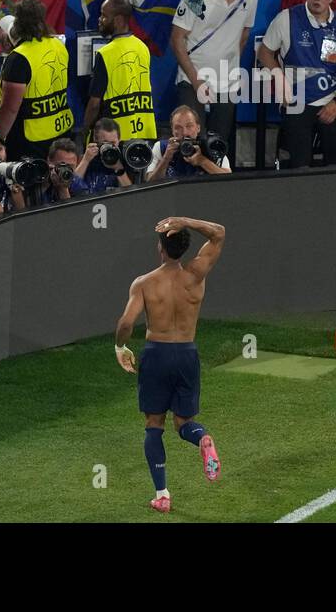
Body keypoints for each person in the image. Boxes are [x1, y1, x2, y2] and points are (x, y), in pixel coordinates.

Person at [114, 215, 226, 514]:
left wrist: (120, 346)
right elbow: (218, 233)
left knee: (154, 426)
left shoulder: (145, 283)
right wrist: (185, 220)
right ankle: (201, 438)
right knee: (184, 424)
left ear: (160, 247)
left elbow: (126, 322)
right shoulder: (197, 274)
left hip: (157, 355)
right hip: (187, 354)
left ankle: (162, 495)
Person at [258, 0, 336, 168]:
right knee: (299, 166)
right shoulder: (286, 18)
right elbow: (264, 53)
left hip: (332, 100)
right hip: (296, 101)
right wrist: (279, 78)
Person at [170, 0, 259, 166]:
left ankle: (217, 187)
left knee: (219, 142)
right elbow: (177, 40)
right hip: (192, 80)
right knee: (190, 139)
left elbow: (243, 37)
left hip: (227, 83)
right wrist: (196, 79)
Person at [0, 0, 73, 161]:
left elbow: (10, 108)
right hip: (62, 130)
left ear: (18, 24)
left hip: (31, 140)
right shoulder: (58, 45)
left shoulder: (19, 58)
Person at [82, 0, 157, 143]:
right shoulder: (142, 47)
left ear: (118, 20)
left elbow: (94, 103)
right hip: (142, 131)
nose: (100, 19)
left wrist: (85, 129)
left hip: (113, 135)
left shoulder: (106, 53)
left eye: (104, 15)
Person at [146, 105, 233, 182]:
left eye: (189, 126)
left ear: (198, 128)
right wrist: (166, 159)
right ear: (172, 130)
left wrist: (202, 161)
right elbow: (149, 182)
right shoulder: (162, 147)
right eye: (178, 128)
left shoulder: (211, 147)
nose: (184, 133)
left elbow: (229, 181)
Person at [76, 118, 134, 193]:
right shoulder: (88, 157)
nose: (110, 146)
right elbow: (73, 187)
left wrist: (118, 168)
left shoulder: (125, 159)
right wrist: (85, 160)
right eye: (105, 143)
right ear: (95, 140)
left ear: (119, 140)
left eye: (113, 143)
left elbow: (131, 194)